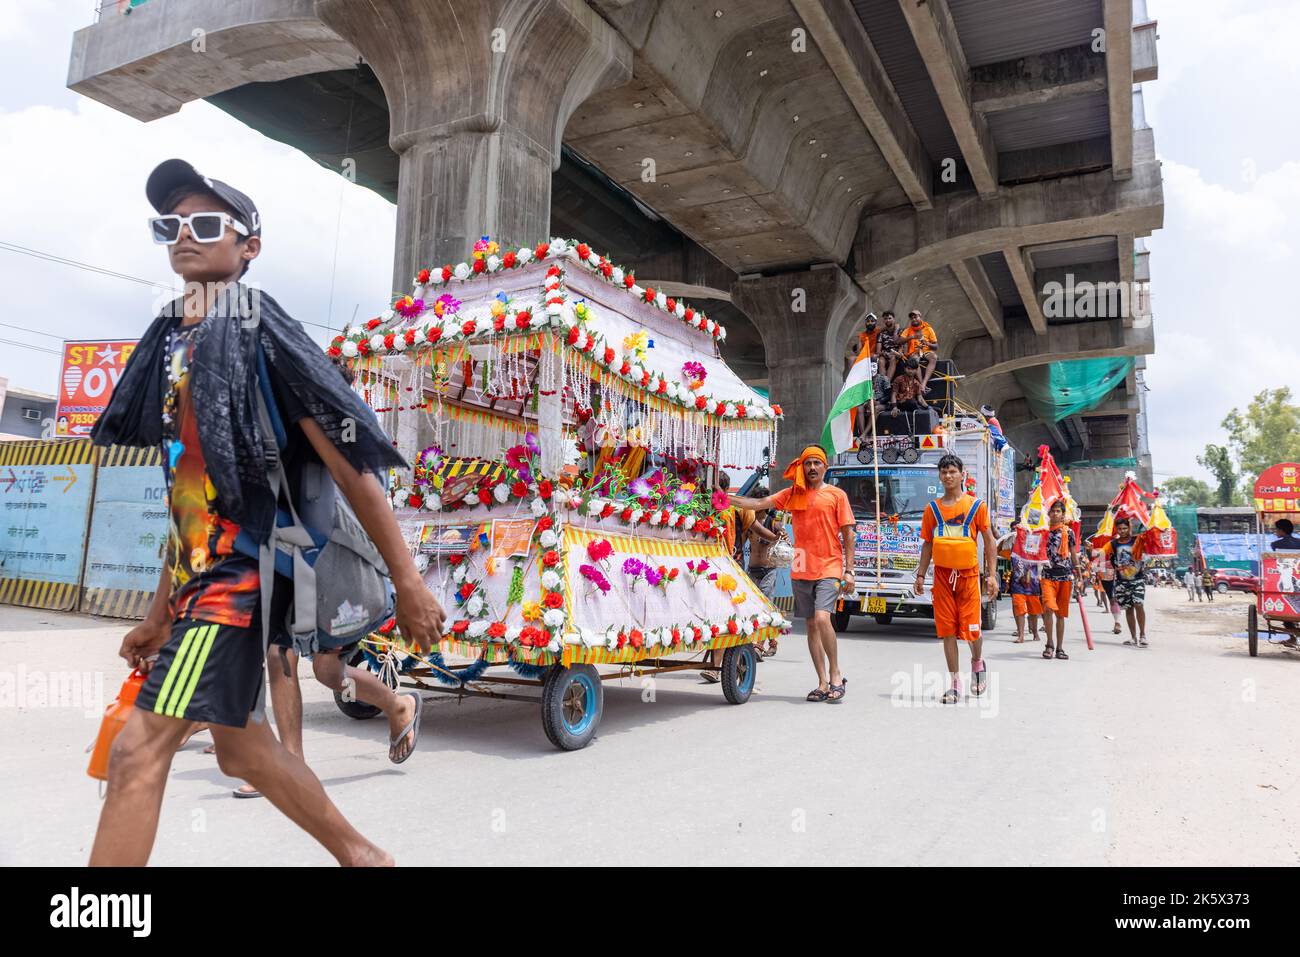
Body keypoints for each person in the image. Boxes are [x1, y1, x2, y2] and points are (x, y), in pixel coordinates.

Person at [87, 159, 445, 866]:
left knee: (136, 751)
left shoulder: (260, 330)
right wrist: (160, 611)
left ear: (249, 246)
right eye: (172, 225)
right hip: (197, 587)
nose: (185, 237)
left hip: (236, 587)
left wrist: (406, 578)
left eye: (208, 224)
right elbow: (185, 497)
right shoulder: (170, 340)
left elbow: (348, 461)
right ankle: (365, 857)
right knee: (242, 750)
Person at [729, 446, 855, 702]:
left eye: (816, 463)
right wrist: (724, 499)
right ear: (802, 467)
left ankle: (835, 674)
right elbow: (757, 503)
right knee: (811, 625)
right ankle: (821, 682)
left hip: (829, 566)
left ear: (824, 468)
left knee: (822, 619)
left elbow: (848, 534)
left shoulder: (837, 495)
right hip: (801, 566)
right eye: (807, 463)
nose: (811, 468)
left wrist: (849, 571)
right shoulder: (792, 494)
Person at [913, 453, 999, 702]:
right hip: (942, 577)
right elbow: (927, 544)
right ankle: (954, 683)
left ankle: (977, 663)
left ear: (962, 474)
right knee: (947, 630)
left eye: (952, 471)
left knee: (972, 629)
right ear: (940, 477)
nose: (948, 476)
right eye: (944, 472)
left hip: (969, 576)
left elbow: (990, 542)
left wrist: (991, 576)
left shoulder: (976, 506)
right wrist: (920, 575)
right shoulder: (932, 509)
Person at [1038, 499, 1079, 660]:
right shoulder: (1042, 531)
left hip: (1065, 576)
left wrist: (1080, 575)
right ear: (1048, 514)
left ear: (1063, 515)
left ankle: (1060, 648)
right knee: (1048, 609)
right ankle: (1049, 644)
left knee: (1060, 615)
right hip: (1047, 575)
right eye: (1052, 511)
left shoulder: (1068, 532)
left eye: (1058, 511)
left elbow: (1073, 553)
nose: (1055, 513)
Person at [745, 502, 786, 658]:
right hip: (752, 569)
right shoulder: (749, 521)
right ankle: (773, 641)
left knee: (762, 606)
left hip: (769, 570)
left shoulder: (772, 521)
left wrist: (781, 532)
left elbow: (781, 536)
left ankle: (758, 645)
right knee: (760, 608)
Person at [1106, 517, 1147, 647]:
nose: (1122, 531)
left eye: (1125, 528)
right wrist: (1091, 550)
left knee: (1139, 605)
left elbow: (1148, 540)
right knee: (1128, 609)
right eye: (1119, 529)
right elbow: (1102, 553)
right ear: (1116, 530)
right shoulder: (1113, 544)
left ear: (1129, 528)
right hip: (1121, 582)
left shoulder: (1137, 541)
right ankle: (1133, 637)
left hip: (1137, 579)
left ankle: (1142, 635)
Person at [900, 309, 939, 392]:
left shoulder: (928, 329)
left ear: (920, 317)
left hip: (926, 351)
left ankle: (924, 382)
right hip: (914, 353)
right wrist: (911, 337)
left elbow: (936, 346)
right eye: (912, 318)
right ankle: (922, 385)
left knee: (934, 357)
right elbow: (900, 341)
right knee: (914, 361)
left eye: (915, 317)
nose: (914, 319)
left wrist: (927, 343)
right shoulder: (908, 330)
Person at [1009, 550, 1042, 644]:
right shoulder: (1014, 545)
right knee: (1019, 610)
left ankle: (1035, 633)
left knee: (1033, 611)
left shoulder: (1034, 544)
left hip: (1032, 583)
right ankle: (1021, 635)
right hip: (1017, 584)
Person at [1092, 545, 1124, 633]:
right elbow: (1094, 566)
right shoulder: (1099, 541)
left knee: (1115, 599)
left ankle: (1117, 623)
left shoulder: (1120, 542)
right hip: (1105, 578)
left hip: (1119, 576)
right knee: (1112, 600)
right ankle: (1117, 621)